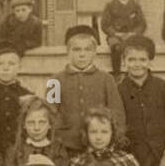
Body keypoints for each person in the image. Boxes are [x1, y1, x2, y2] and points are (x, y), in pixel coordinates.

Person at [116, 35, 165, 166]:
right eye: (131, 60)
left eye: (142, 59)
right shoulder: (118, 89)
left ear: (150, 61)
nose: (137, 64)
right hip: (133, 155)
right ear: (124, 61)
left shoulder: (163, 87)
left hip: (162, 153)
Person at [53, 24, 126, 155]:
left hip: (99, 146)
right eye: (76, 50)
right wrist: (59, 137)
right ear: (67, 52)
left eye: (87, 50)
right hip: (66, 146)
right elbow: (50, 112)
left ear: (95, 52)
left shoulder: (106, 79)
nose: (82, 54)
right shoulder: (54, 81)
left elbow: (117, 113)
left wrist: (113, 140)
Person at [100, 0, 147, 75]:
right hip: (115, 36)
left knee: (137, 49)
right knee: (116, 48)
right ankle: (117, 74)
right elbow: (105, 25)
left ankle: (136, 73)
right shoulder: (110, 6)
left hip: (132, 36)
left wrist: (134, 33)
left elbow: (142, 24)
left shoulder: (136, 6)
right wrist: (116, 33)